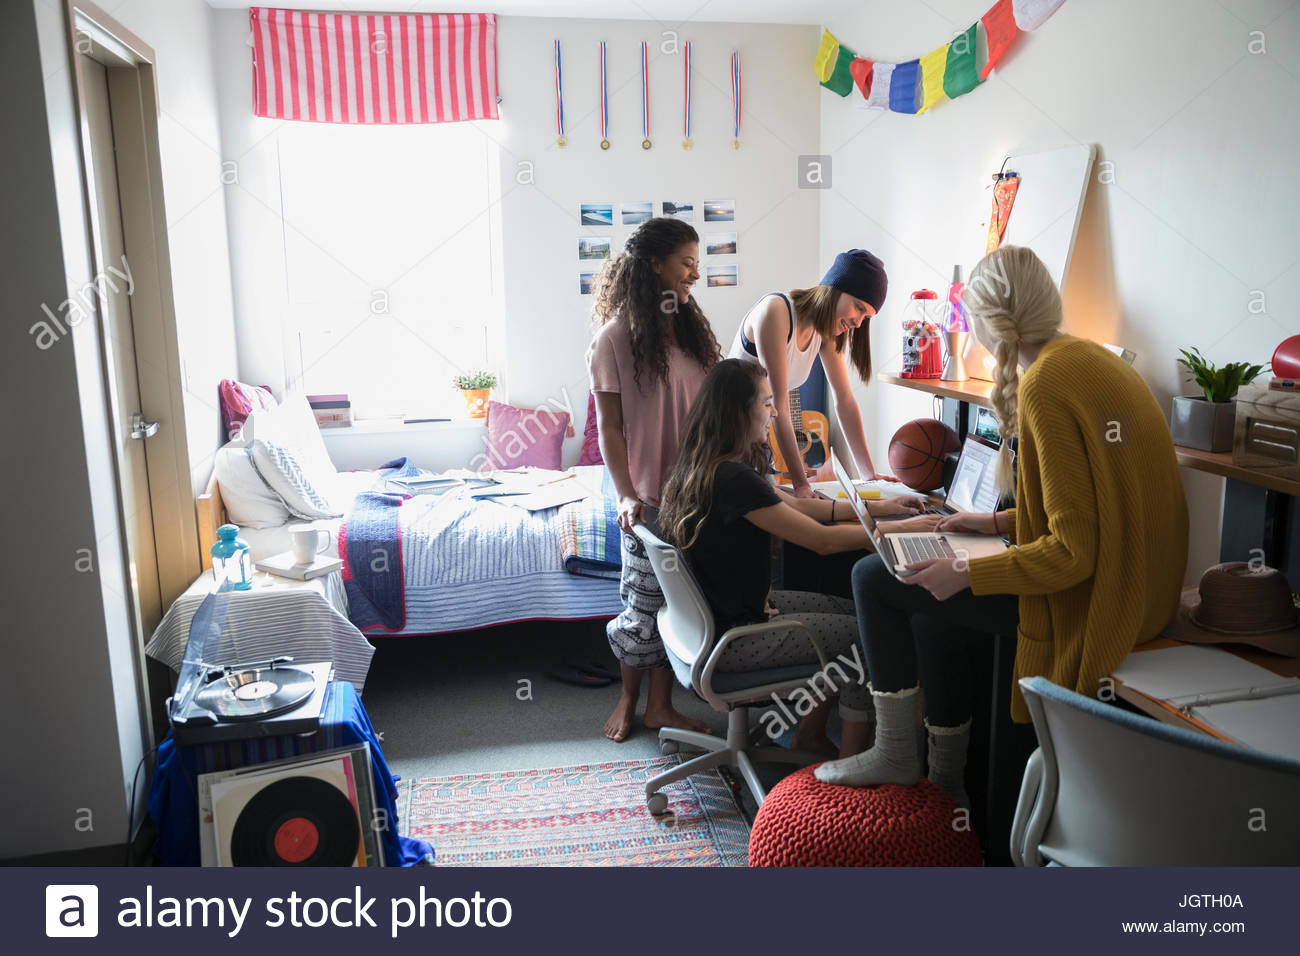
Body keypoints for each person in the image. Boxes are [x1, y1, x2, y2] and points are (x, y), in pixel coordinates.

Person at [814, 245, 1189, 806]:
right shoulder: (1091, 359)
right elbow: (1089, 511)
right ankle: (945, 780)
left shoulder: (1044, 386)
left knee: (874, 577)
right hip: (1143, 594)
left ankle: (895, 750)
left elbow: (1072, 552)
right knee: (935, 617)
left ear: (990, 321)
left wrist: (966, 571)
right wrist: (989, 521)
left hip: (1099, 607)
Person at [657, 359, 938, 757]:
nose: (774, 412)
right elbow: (821, 542)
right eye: (767, 402)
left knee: (855, 614)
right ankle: (851, 773)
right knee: (866, 638)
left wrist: (881, 511)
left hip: (716, 625)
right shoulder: (733, 480)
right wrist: (895, 533)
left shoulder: (708, 467)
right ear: (740, 411)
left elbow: (805, 509)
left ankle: (809, 734)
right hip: (735, 639)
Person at [587, 217, 722, 742]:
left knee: (682, 606)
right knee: (642, 607)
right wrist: (624, 492)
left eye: (696, 263)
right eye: (687, 263)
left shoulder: (691, 329)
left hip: (697, 493)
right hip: (646, 500)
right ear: (654, 265)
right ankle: (628, 697)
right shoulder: (614, 339)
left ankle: (660, 707)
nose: (694, 273)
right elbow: (610, 427)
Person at [729, 249, 893, 495]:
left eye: (866, 317)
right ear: (834, 289)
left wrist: (868, 475)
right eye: (858, 308)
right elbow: (779, 407)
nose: (859, 323)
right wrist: (801, 484)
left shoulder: (825, 331)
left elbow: (845, 400)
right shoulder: (776, 311)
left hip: (758, 442)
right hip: (727, 441)